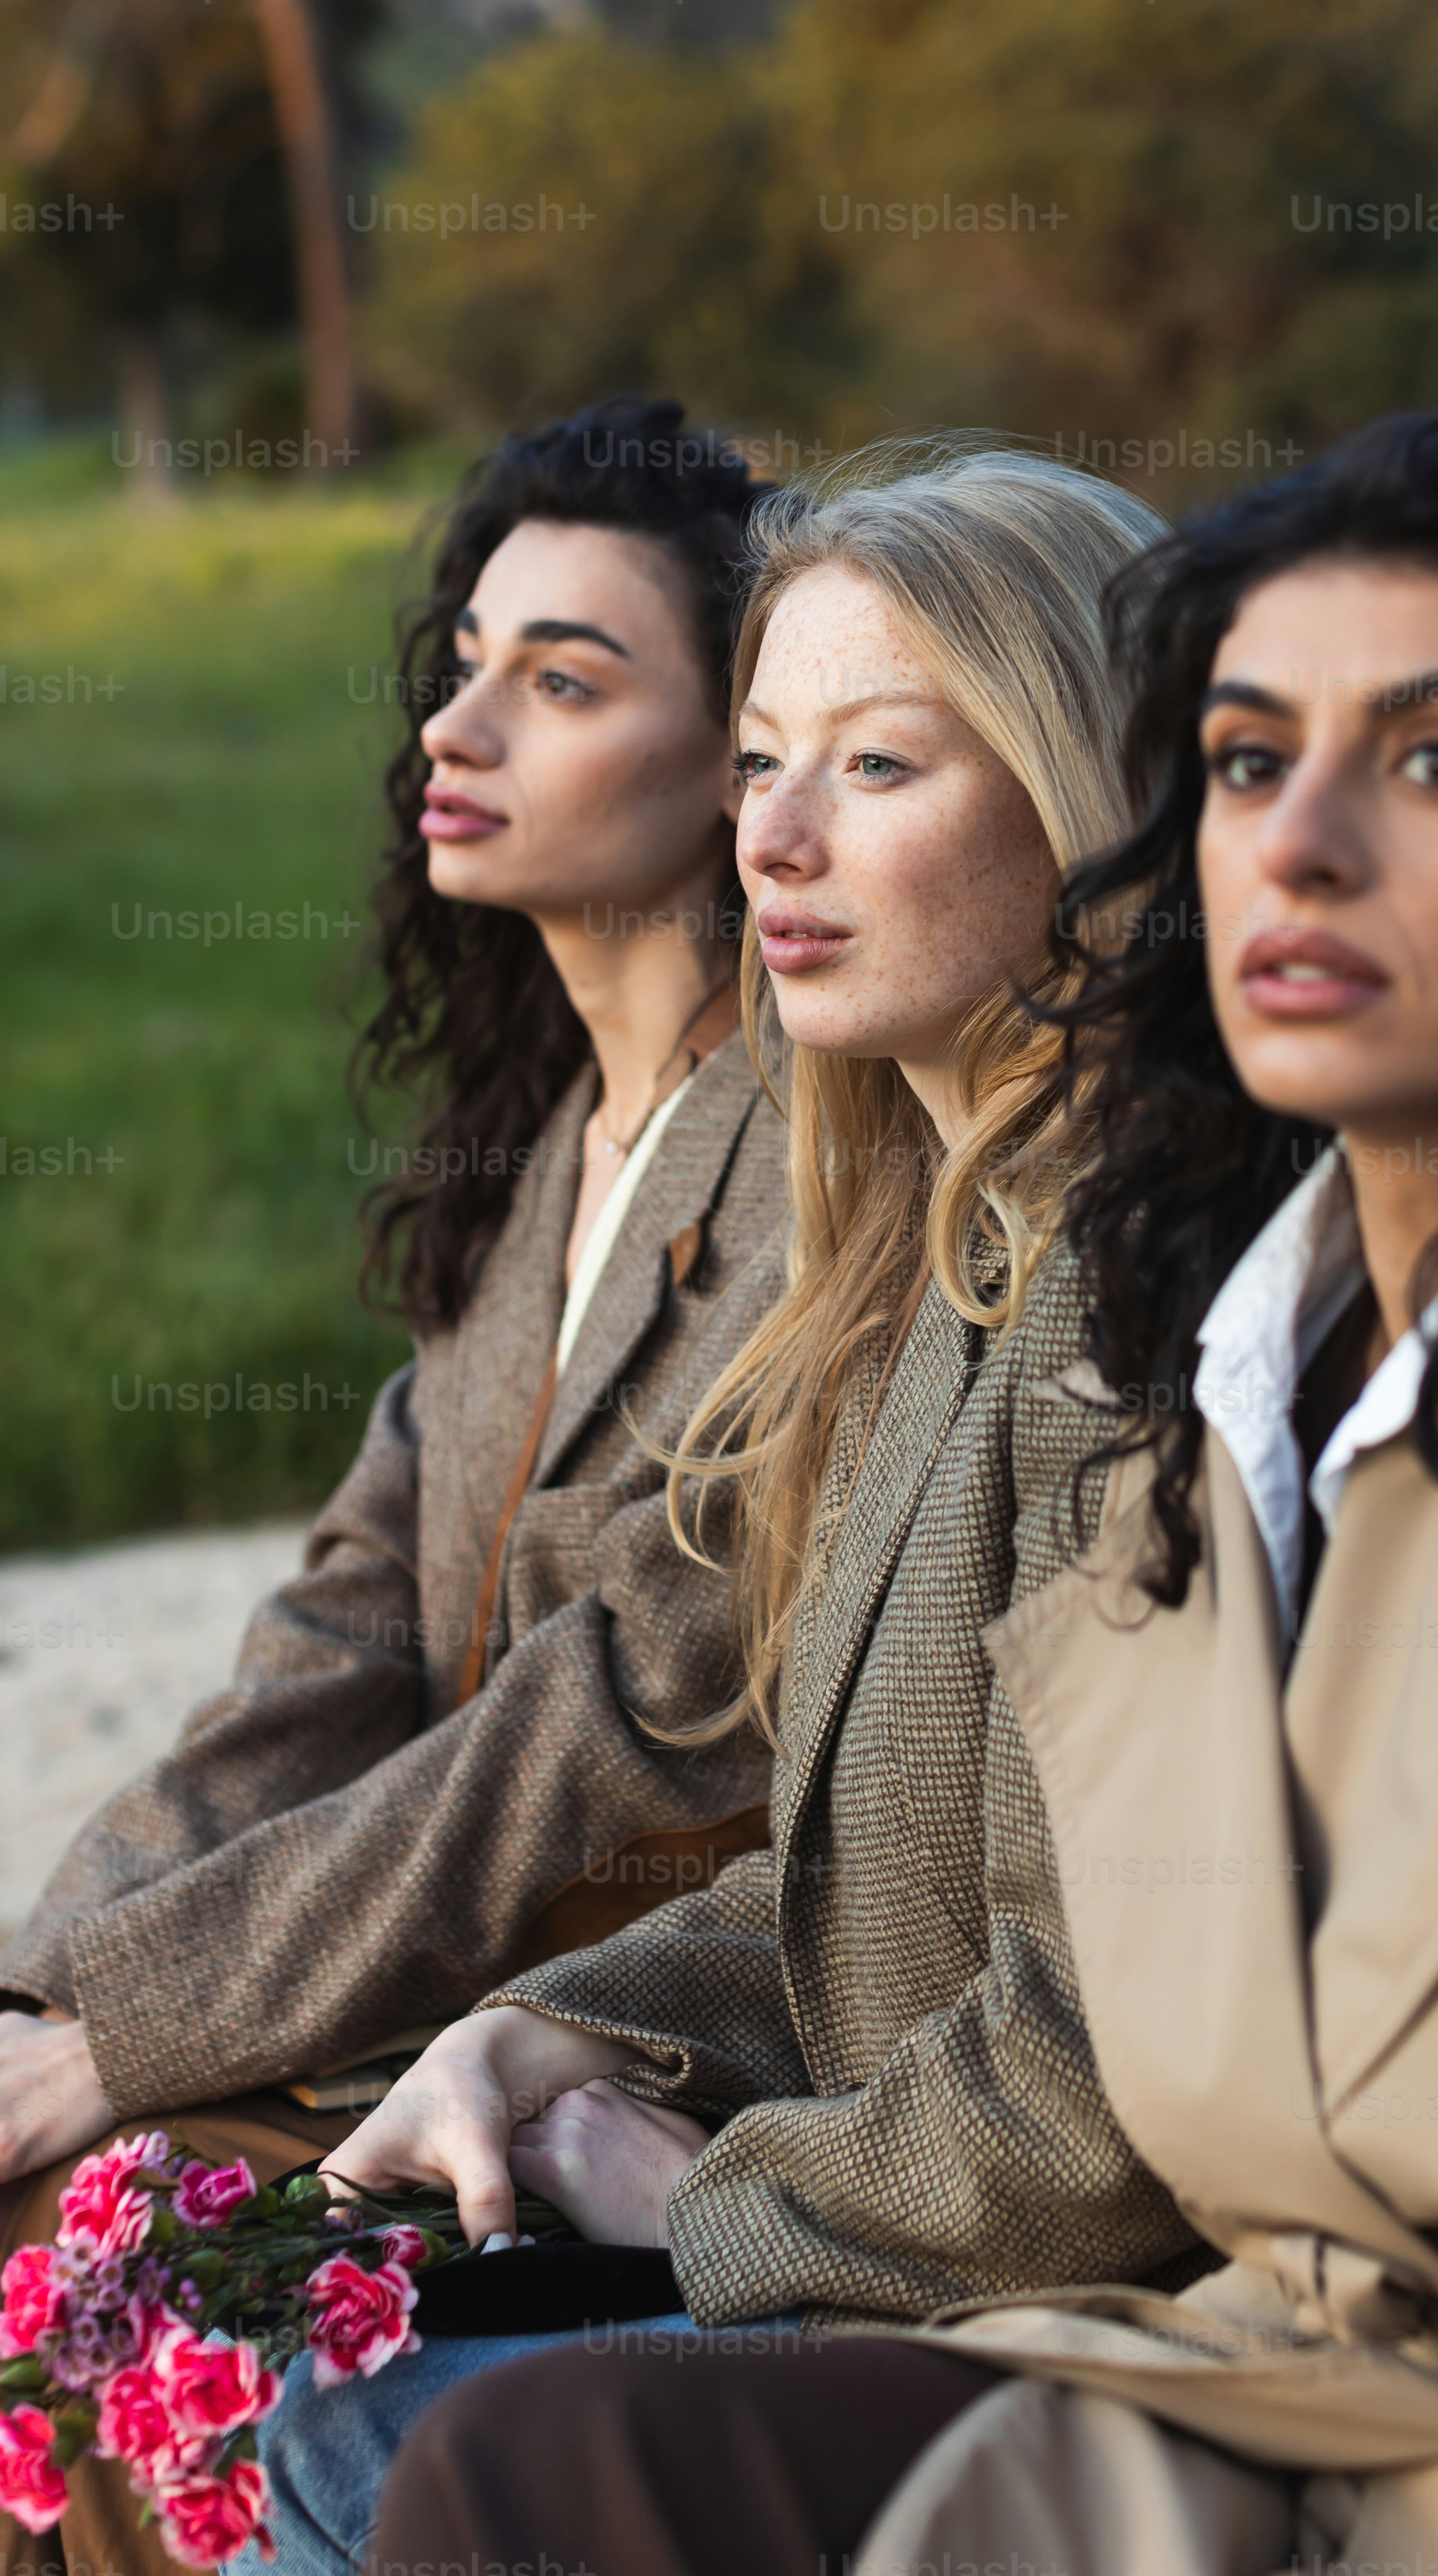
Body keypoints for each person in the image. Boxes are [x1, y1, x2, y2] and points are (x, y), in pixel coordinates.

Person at [369, 405, 1438, 2576]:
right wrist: (572, 2042)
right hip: (1276, 2410)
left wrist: (697, 2195)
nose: (1299, 847)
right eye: (1253, 763)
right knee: (541, 2467)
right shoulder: (1261, 1385)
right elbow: (1017, 1972)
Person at [233, 446, 1200, 2576]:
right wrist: (558, 2028)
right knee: (275, 2332)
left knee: (369, 2440)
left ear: (1093, 799)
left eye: (876, 765)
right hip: (929, 2232)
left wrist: (719, 2199)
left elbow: (1126, 2060)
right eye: (762, 762)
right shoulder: (924, 1269)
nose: (769, 837)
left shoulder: (1144, 1319)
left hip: (1131, 2340)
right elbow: (865, 1890)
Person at [0, 395, 790, 2327]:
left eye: (564, 680)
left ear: (737, 768)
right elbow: (336, 1647)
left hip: (662, 2043)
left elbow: (588, 1735)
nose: (458, 729)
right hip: (413, 1973)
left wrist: (138, 2034)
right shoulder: (535, 1157)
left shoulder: (814, 1180)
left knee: (112, 2274)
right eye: (465, 670)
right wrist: (47, 1990)